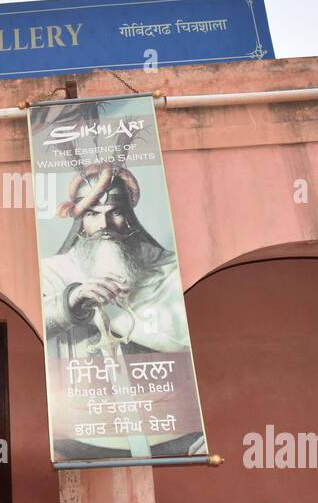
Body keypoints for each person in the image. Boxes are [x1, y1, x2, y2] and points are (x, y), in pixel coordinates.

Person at [40, 163, 202, 459]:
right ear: (79, 221)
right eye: (91, 214)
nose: (104, 225)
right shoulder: (55, 272)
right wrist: (71, 301)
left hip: (173, 427)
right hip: (83, 429)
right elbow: (36, 323)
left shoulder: (167, 269)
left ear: (130, 217)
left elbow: (188, 338)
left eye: (114, 211)